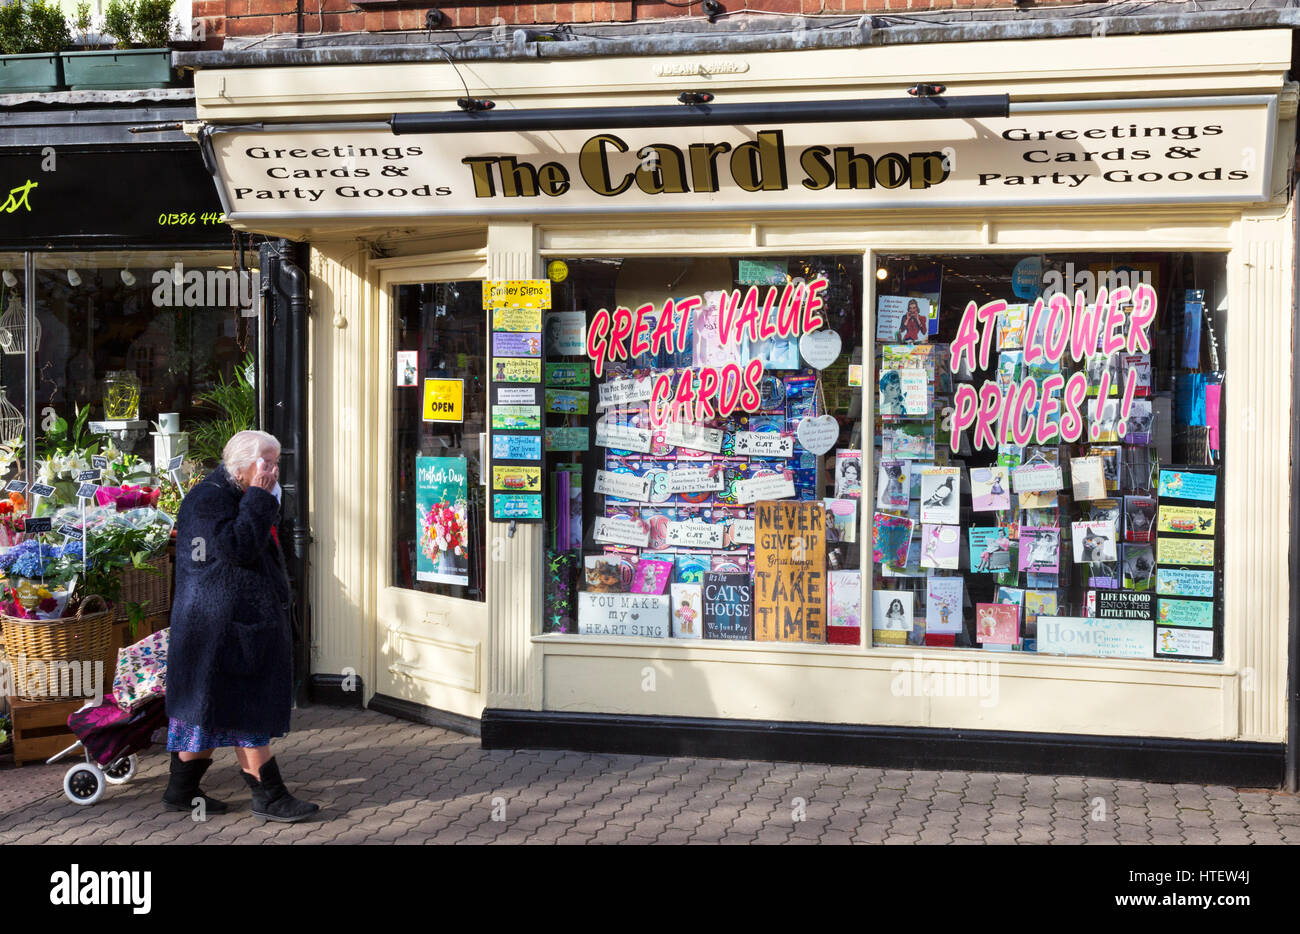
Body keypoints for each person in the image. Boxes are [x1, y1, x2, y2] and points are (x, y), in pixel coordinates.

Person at [163, 430, 319, 823]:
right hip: (219, 630)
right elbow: (237, 548)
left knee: (211, 713)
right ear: (242, 465)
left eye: (277, 463)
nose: (274, 471)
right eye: (267, 463)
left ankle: (181, 790)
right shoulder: (208, 499)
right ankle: (270, 796)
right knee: (243, 715)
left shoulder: (236, 492)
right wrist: (260, 498)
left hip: (230, 626)